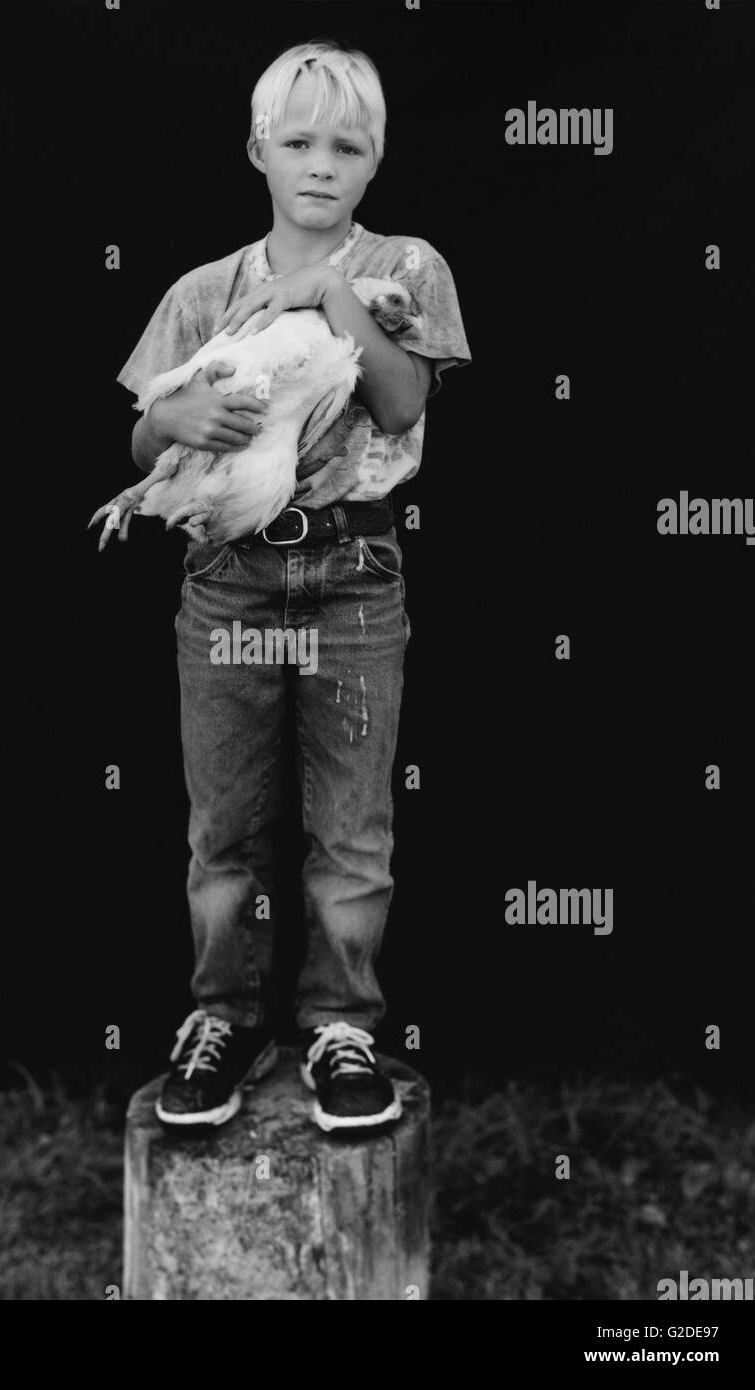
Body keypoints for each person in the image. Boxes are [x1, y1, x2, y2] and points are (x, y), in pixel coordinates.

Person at [114, 40, 471, 1134]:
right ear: (258, 150)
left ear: (373, 163)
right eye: (299, 141)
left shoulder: (405, 270)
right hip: (227, 574)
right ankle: (221, 1017)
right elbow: (142, 440)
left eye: (346, 145)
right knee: (222, 826)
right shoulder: (200, 292)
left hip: (351, 571)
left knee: (348, 827)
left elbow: (402, 406)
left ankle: (338, 1025)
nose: (320, 163)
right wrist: (165, 424)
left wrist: (331, 298)